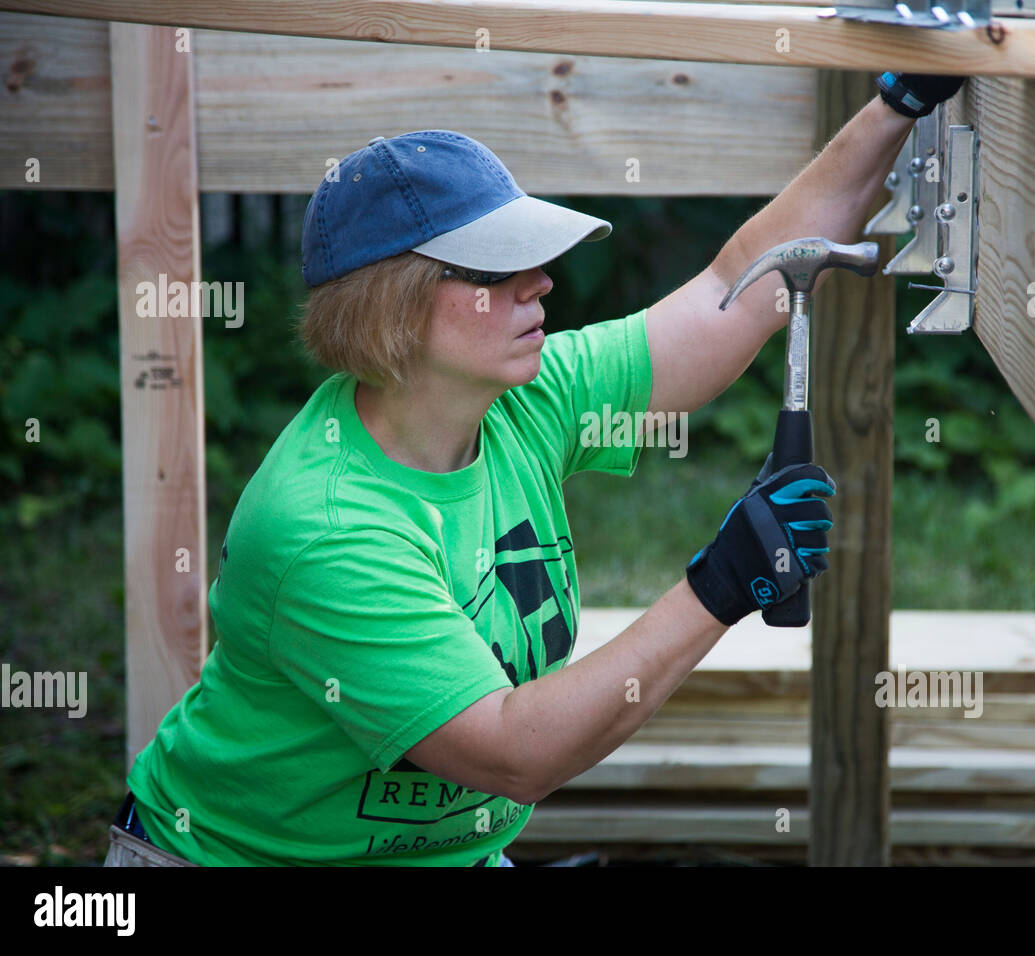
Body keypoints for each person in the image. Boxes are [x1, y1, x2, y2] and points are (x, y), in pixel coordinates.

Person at [104, 72, 962, 867]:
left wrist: (898, 104)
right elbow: (513, 753)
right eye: (498, 268)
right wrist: (723, 583)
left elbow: (731, 290)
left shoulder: (523, 398)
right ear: (392, 306)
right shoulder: (325, 527)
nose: (542, 282)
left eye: (535, 258)